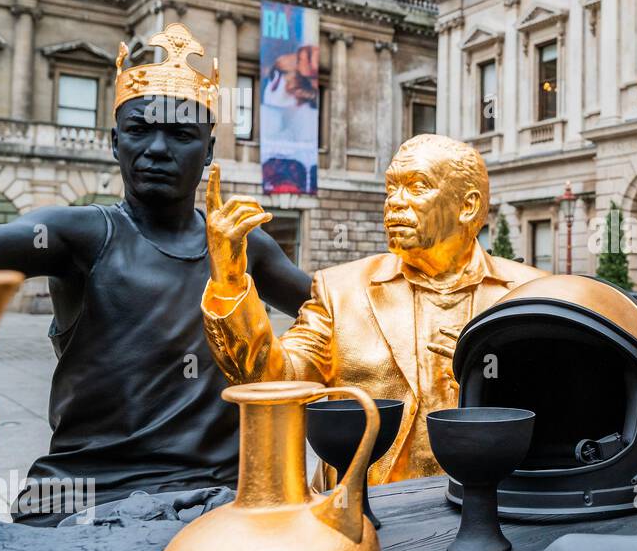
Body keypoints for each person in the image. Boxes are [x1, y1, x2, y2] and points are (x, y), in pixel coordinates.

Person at [0, 22, 311, 525]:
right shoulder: (77, 235)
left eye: (181, 135)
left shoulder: (243, 247)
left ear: (208, 150)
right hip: (87, 498)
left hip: (216, 498)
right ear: (114, 141)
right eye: (140, 131)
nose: (158, 149)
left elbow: (337, 310)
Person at [201, 133, 547, 483]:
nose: (394, 201)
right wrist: (229, 285)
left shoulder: (533, 294)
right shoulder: (340, 290)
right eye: (391, 188)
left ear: (467, 205)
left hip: (496, 502)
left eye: (417, 186)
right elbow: (274, 383)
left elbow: (562, 412)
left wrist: (497, 376)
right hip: (363, 507)